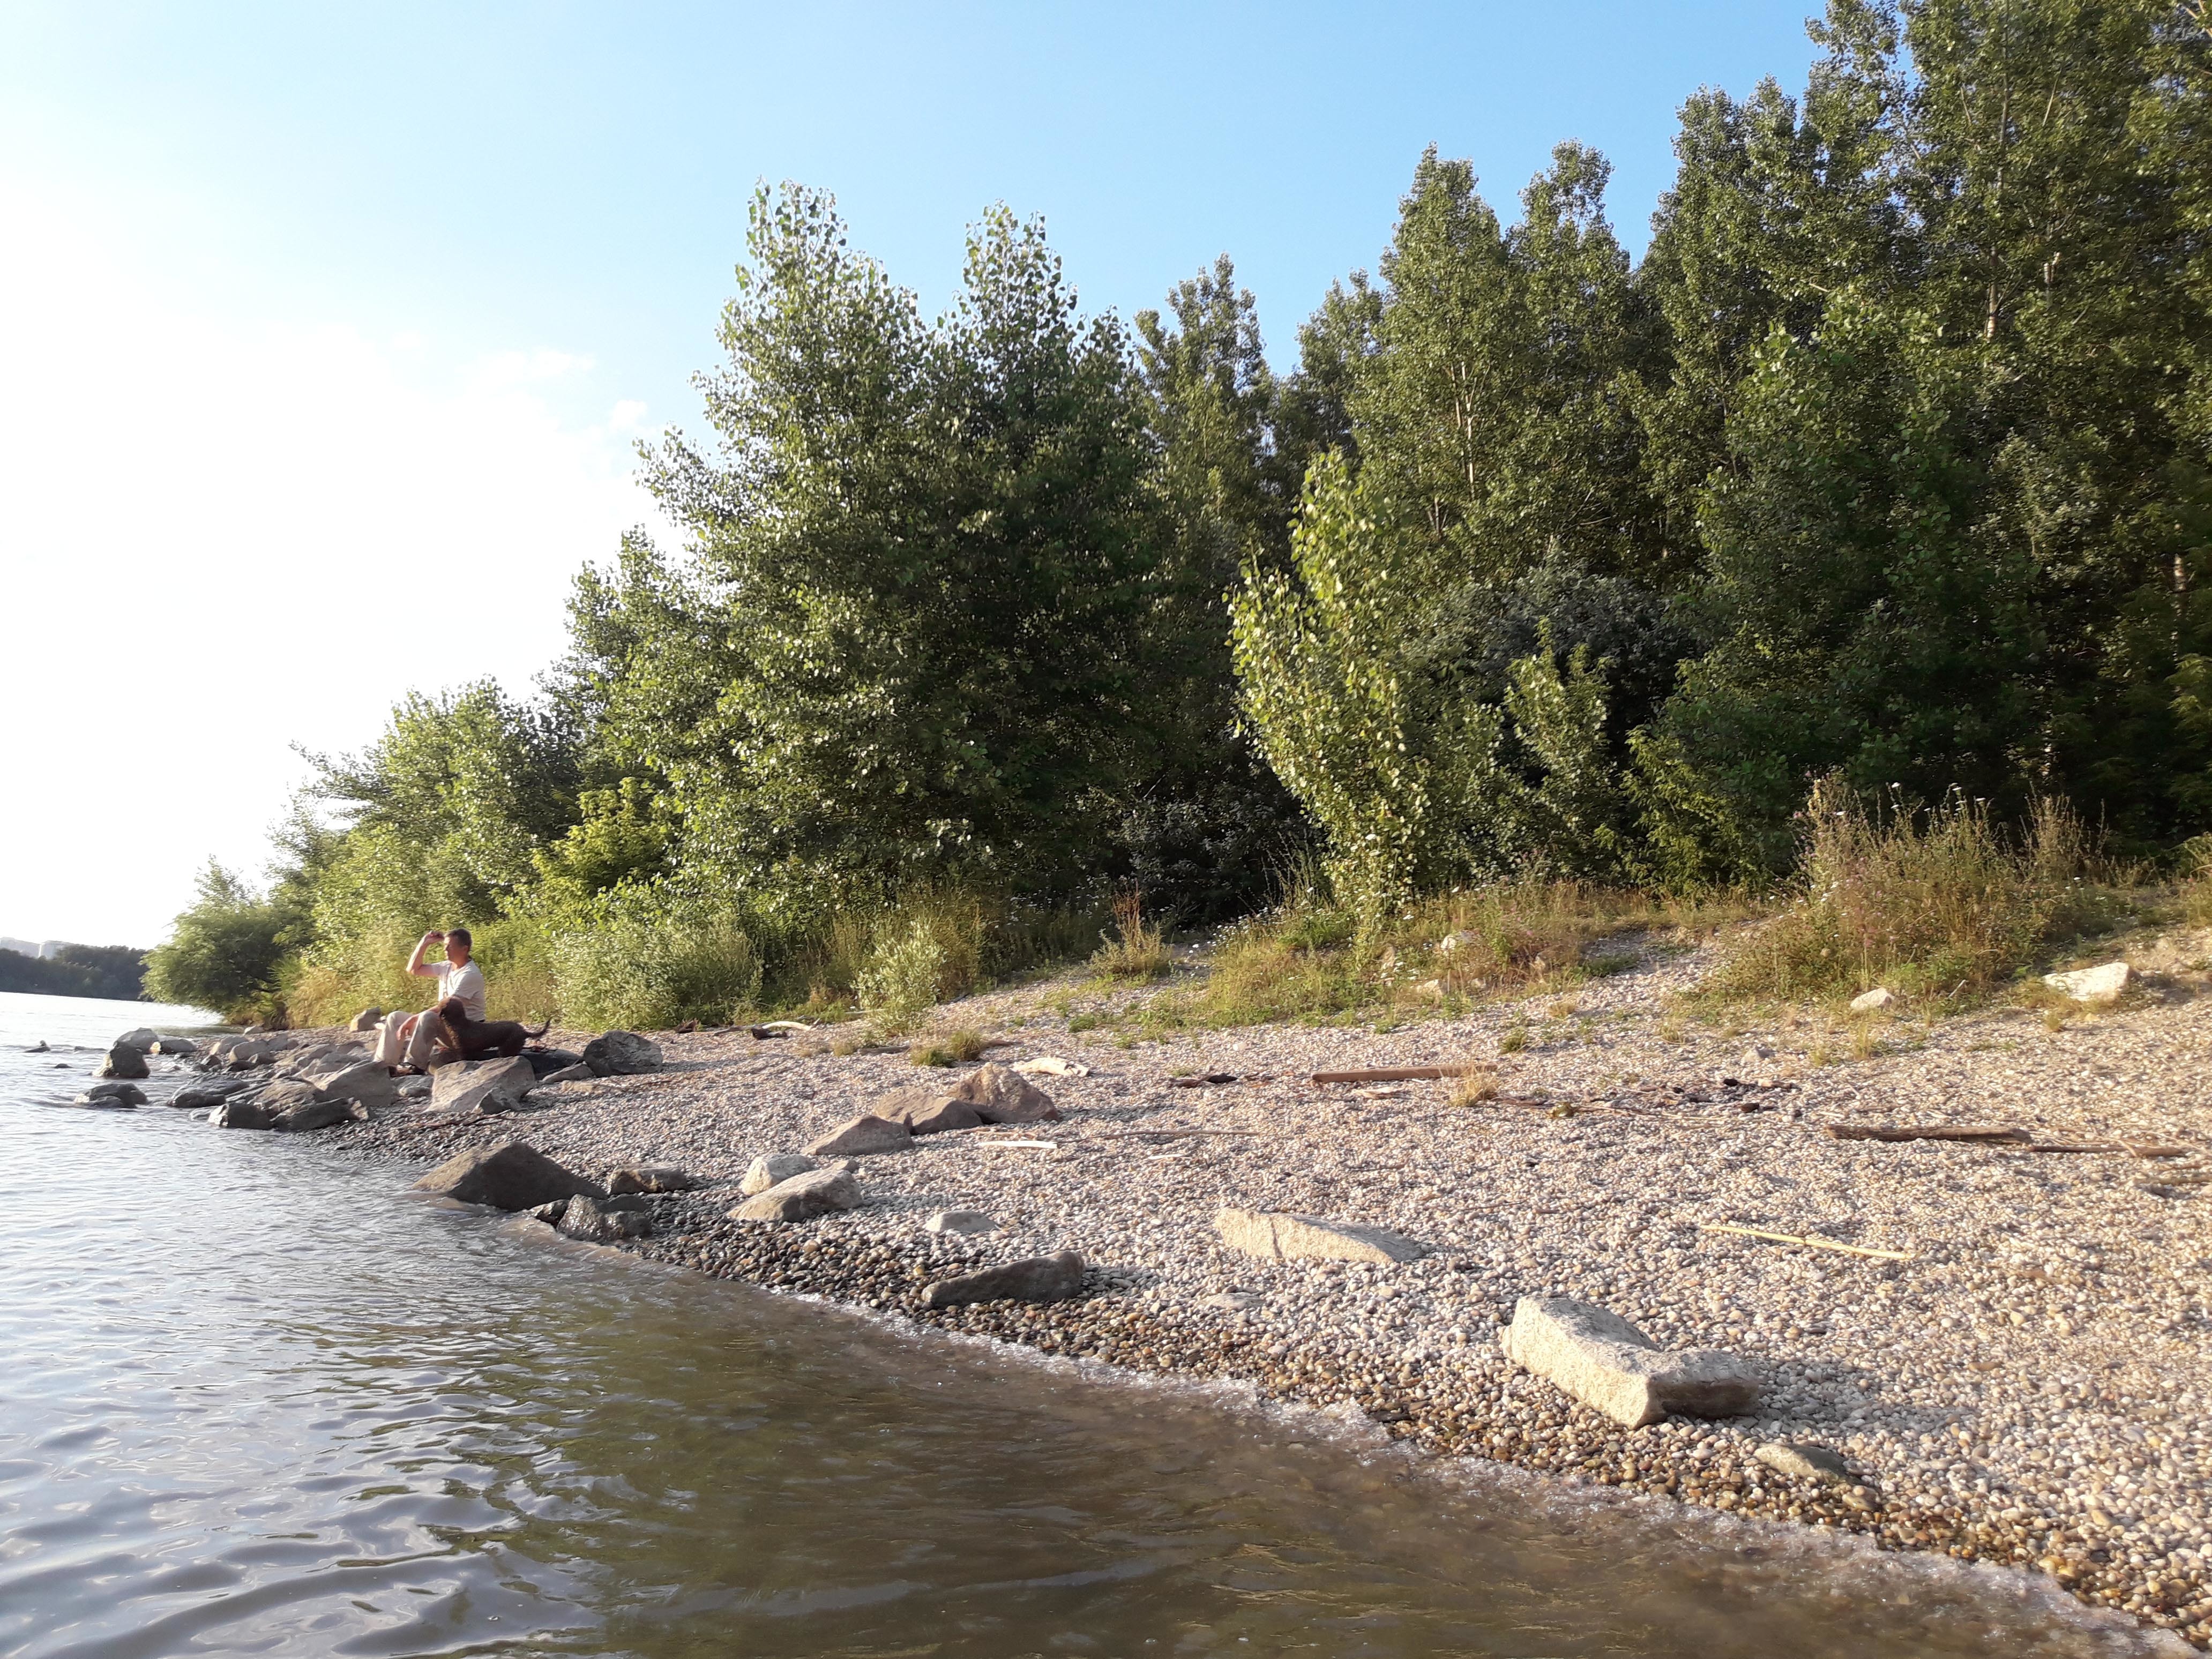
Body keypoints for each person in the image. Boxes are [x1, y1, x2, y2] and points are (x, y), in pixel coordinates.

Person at [372, 929, 488, 1072]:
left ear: (464, 949)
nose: (445, 949)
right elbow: (414, 969)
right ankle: (384, 1066)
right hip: (444, 1028)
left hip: (465, 1033)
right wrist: (424, 943)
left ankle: (414, 1066)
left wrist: (412, 1019)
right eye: (445, 945)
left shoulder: (471, 974)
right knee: (395, 1017)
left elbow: (447, 1006)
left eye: (450, 946)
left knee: (428, 1016)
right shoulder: (446, 967)